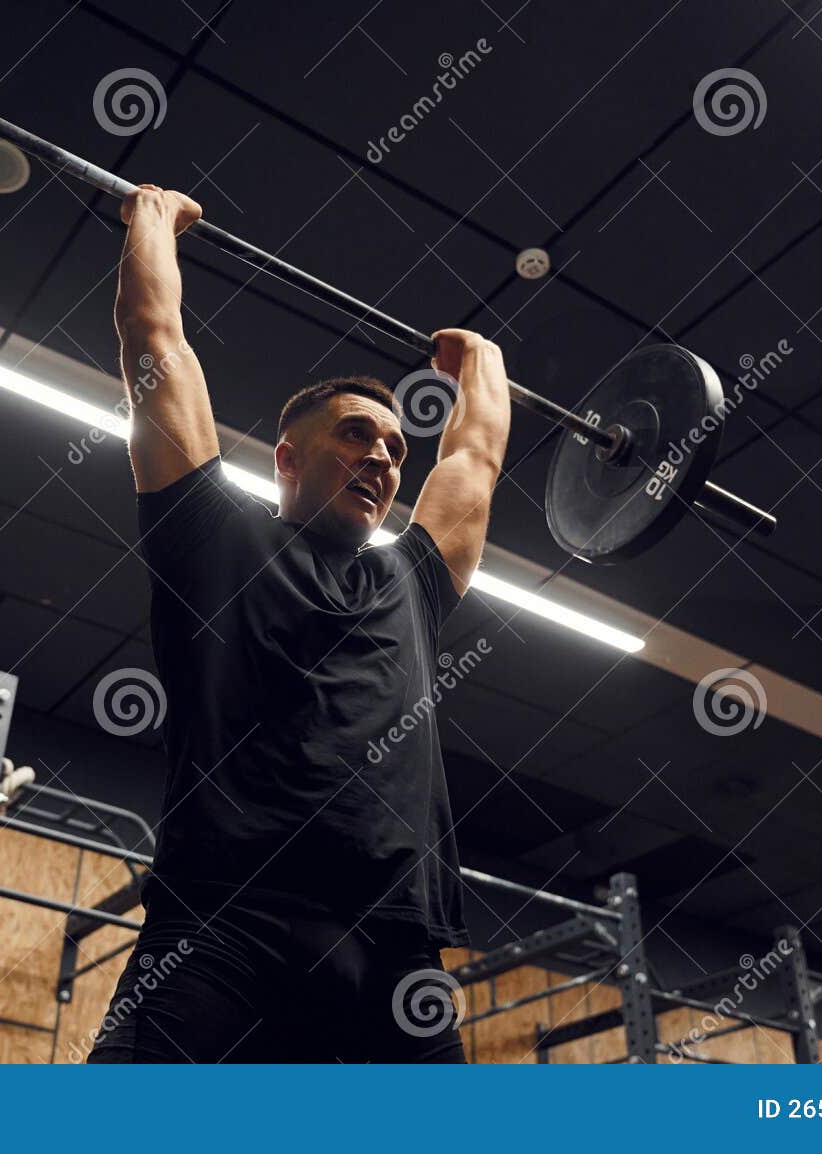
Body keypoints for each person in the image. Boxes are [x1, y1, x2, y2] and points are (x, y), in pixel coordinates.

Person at [86, 184, 511, 1063]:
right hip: (222, 922)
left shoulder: (413, 581)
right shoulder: (211, 534)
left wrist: (481, 359)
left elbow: (475, 454)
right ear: (287, 457)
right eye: (357, 435)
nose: (382, 458)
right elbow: (154, 343)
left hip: (395, 947)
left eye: (394, 449)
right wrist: (153, 220)